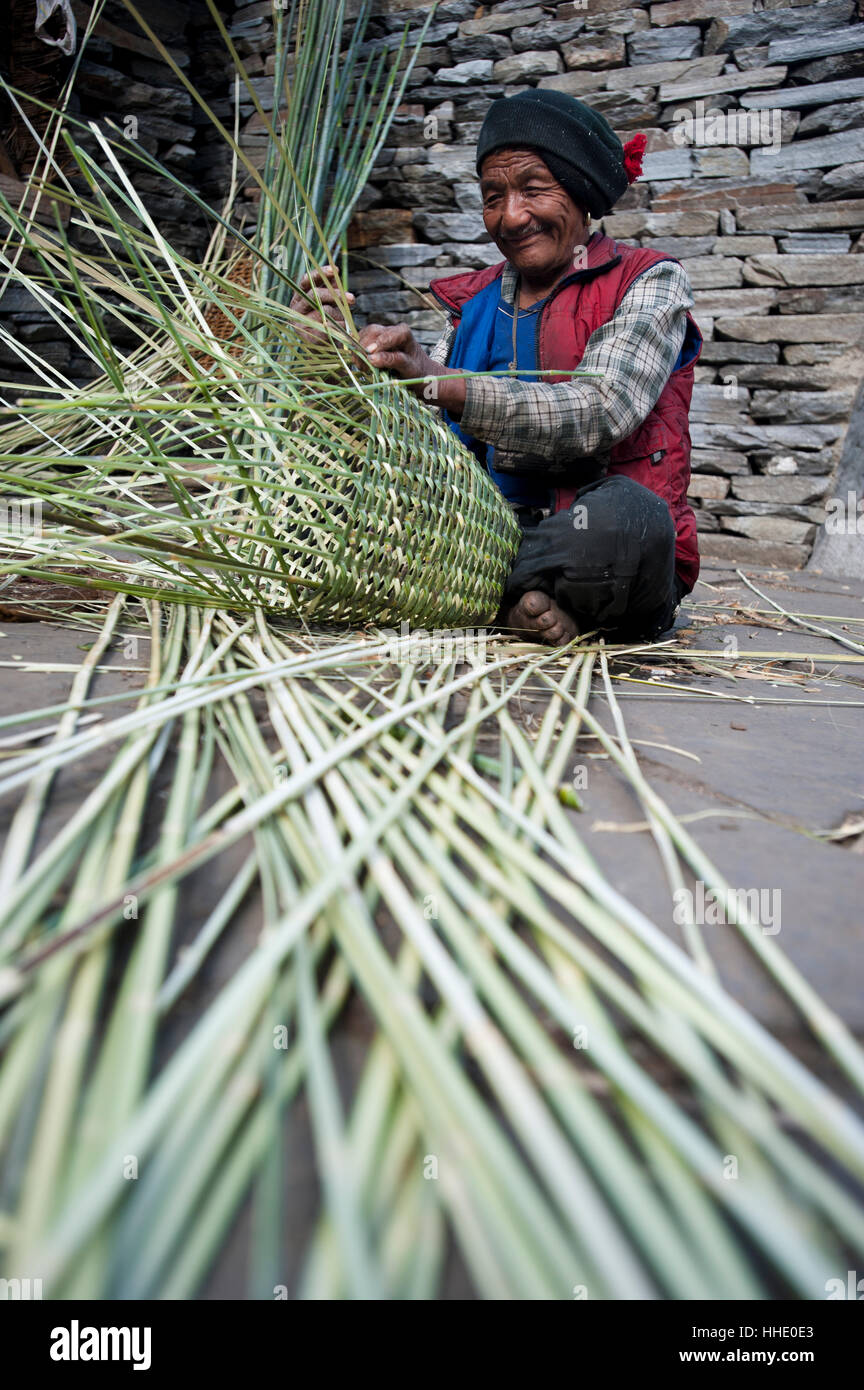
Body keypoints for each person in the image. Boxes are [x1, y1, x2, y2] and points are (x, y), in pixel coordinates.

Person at [291, 89, 703, 646]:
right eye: (493, 196)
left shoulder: (648, 281)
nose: (511, 216)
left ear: (581, 193)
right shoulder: (475, 303)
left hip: (593, 546)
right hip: (486, 539)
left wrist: (438, 380)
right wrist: (335, 362)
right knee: (352, 511)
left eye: (534, 189)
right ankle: (512, 603)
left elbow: (601, 409)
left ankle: (486, 601)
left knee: (625, 520)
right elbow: (423, 446)